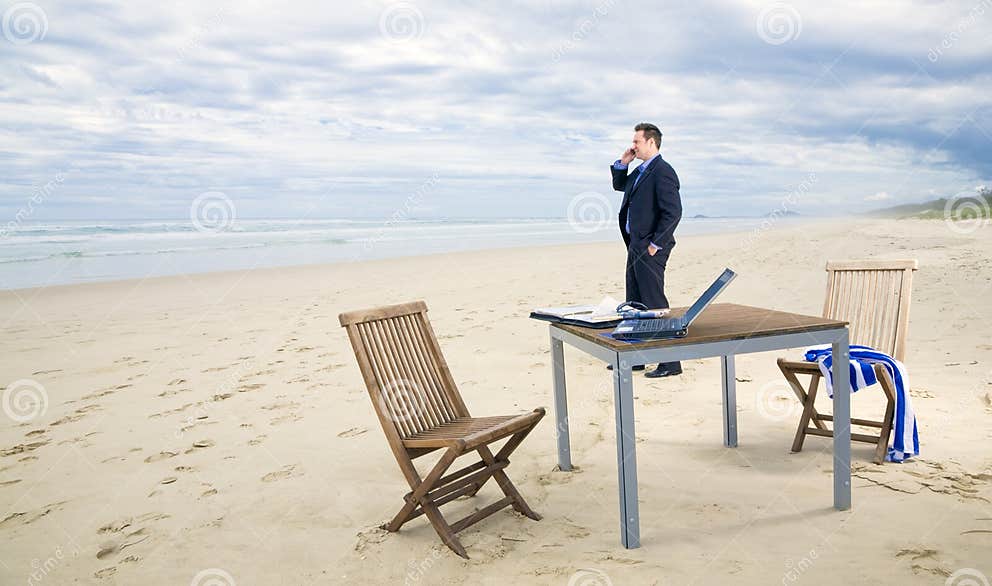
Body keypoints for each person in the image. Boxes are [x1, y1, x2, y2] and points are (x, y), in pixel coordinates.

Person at [610, 122, 683, 378]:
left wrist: (655, 244)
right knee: (635, 301)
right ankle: (637, 357)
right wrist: (623, 161)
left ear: (651, 142)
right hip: (635, 244)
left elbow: (673, 212)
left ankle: (671, 362)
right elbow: (620, 186)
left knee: (654, 301)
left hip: (650, 247)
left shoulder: (663, 171)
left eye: (637, 142)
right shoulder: (641, 170)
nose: (633, 145)